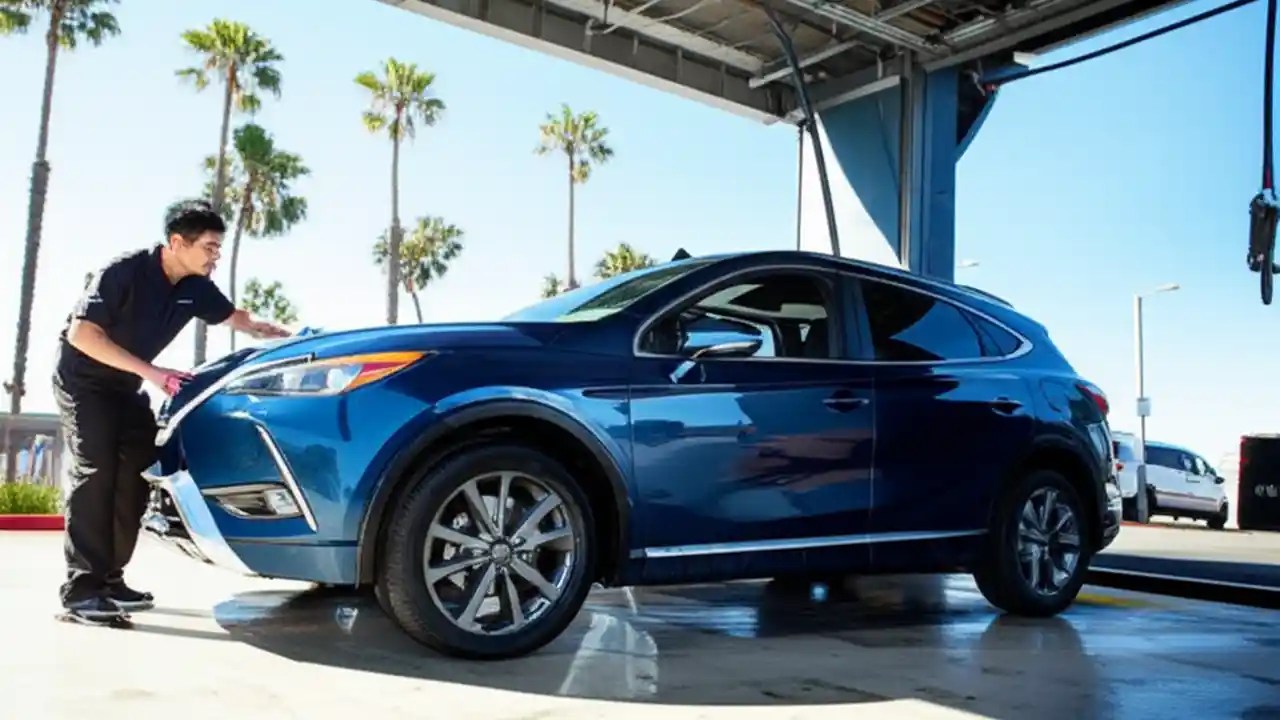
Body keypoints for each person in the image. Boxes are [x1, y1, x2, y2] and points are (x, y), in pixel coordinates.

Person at [52, 199, 292, 622]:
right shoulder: (124, 271)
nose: (215, 256)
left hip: (125, 386)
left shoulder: (196, 287)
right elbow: (82, 334)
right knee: (97, 469)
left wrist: (277, 332)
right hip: (84, 381)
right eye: (210, 247)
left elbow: (232, 316)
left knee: (138, 470)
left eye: (219, 248)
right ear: (177, 242)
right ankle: (81, 590)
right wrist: (154, 373)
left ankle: (109, 579)